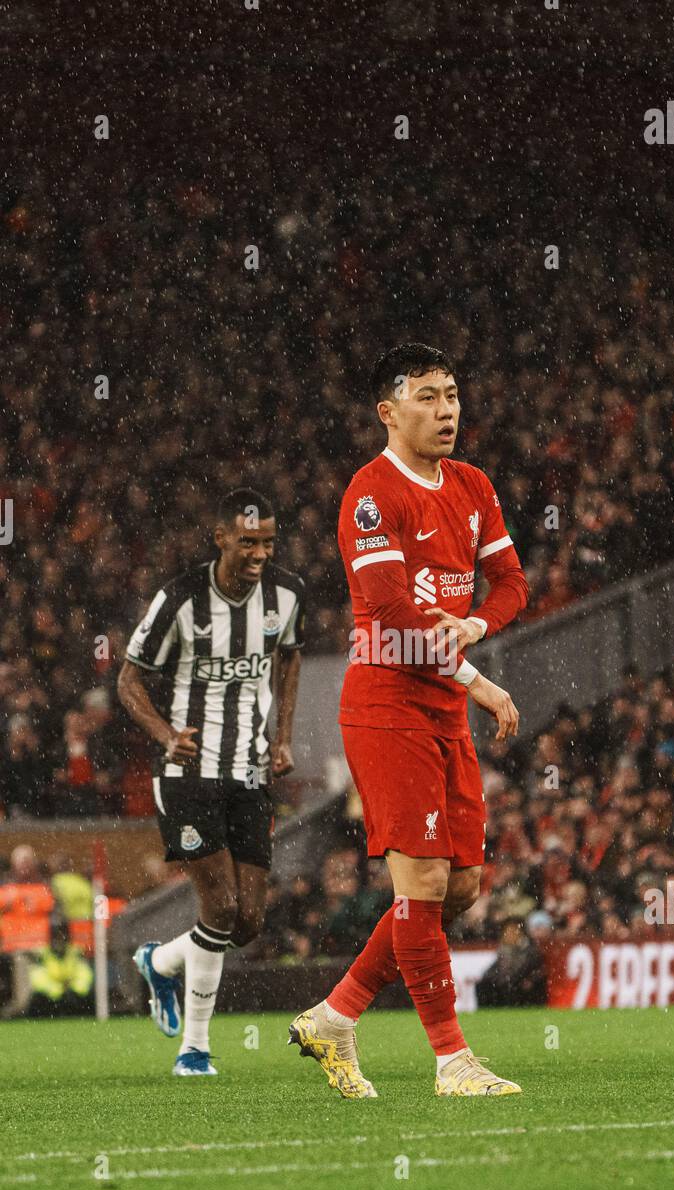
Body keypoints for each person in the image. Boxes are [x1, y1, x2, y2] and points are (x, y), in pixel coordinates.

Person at [289, 343, 529, 1097]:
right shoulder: (370, 494)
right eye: (428, 396)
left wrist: (476, 628)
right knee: (422, 881)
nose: (448, 409)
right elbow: (391, 611)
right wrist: (478, 679)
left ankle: (337, 1013)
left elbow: (512, 582)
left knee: (459, 889)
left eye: (452, 393)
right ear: (388, 412)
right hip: (387, 703)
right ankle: (453, 1061)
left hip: (443, 707)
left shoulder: (473, 485)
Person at [117, 487, 304, 1075]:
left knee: (247, 923)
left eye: (268, 543)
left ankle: (160, 961)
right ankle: (195, 1049)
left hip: (249, 772)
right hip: (188, 773)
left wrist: (282, 738)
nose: (259, 553)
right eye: (248, 542)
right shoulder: (179, 600)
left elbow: (290, 657)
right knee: (218, 905)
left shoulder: (286, 595)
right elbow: (128, 679)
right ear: (221, 537)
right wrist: (165, 734)